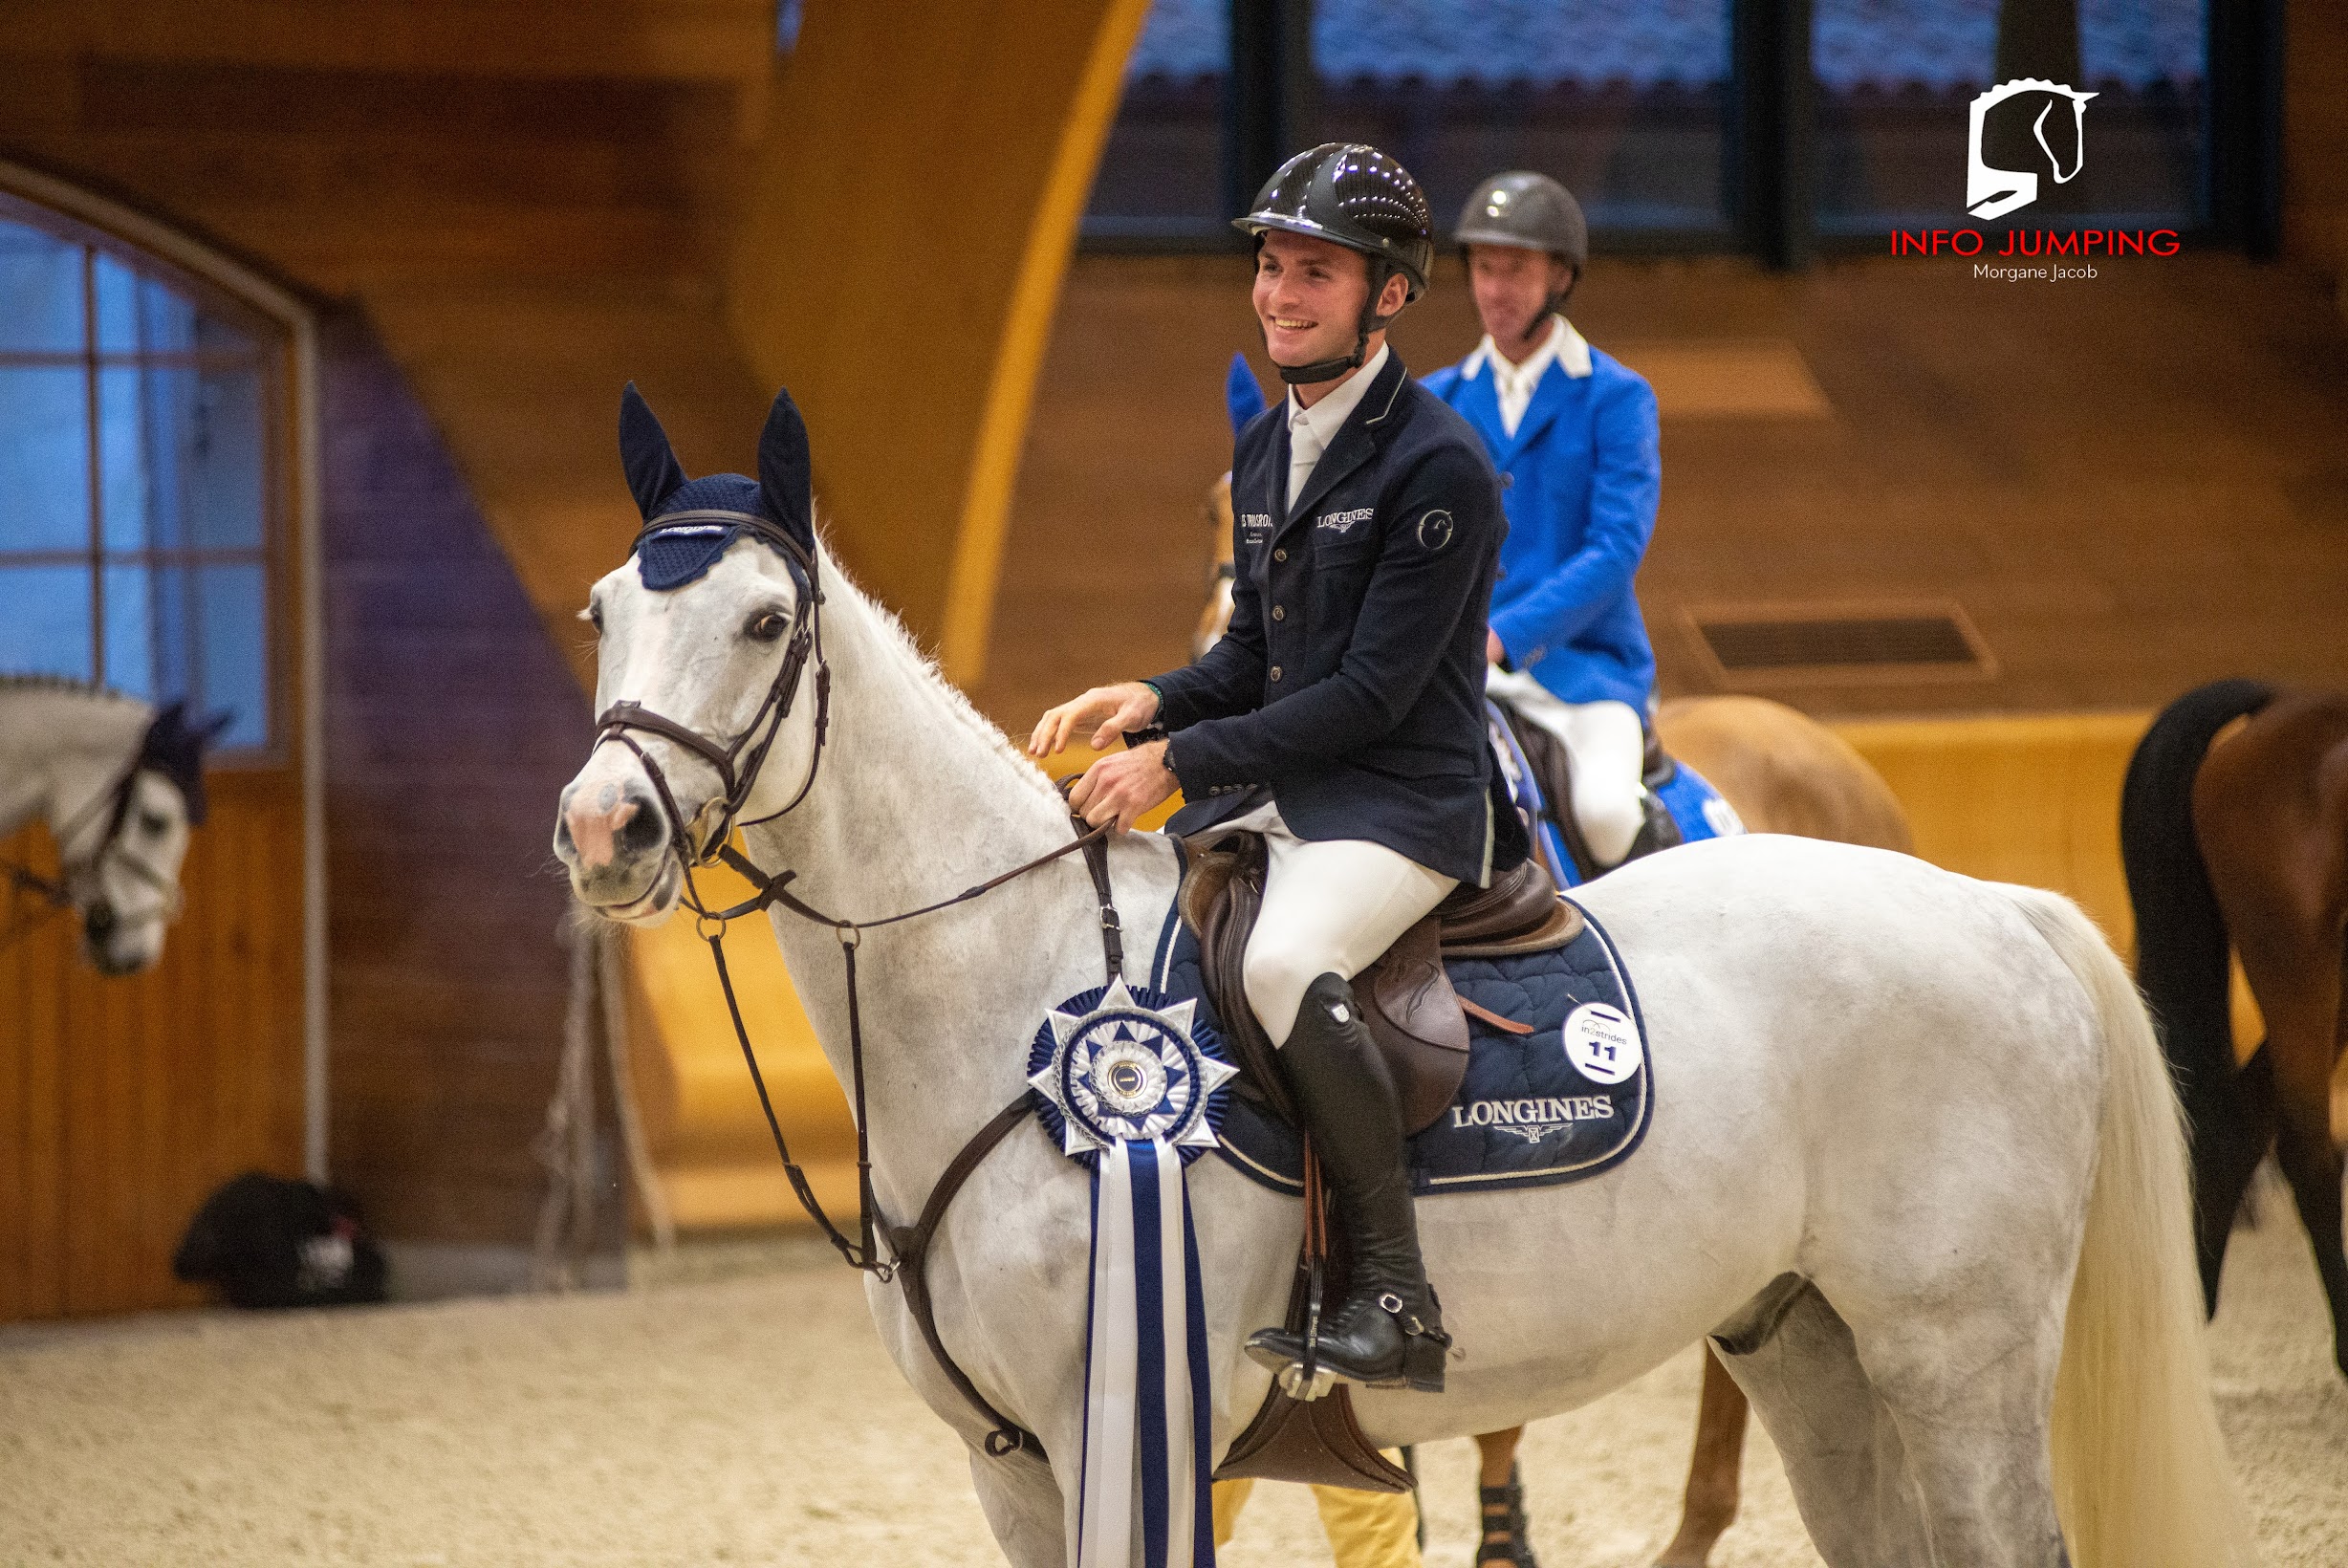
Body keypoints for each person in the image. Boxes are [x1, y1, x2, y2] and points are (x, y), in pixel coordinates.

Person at [1029, 142, 1505, 1394]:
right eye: (1271, 266)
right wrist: (1149, 697)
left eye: (1316, 274)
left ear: (1389, 295)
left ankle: (1396, 1295)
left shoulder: (1439, 467)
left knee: (1287, 960)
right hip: (1293, 795)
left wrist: (1173, 760)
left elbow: (1367, 698)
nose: (1281, 295)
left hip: (1403, 807)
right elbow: (1253, 653)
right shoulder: (1264, 453)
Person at [1424, 171, 1664, 873]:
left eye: (1517, 270)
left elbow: (1615, 550)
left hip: (1581, 673)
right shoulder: (1434, 402)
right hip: (1456, 673)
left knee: (1606, 810)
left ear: (1560, 275)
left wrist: (1504, 636)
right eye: (1484, 268)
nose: (1496, 289)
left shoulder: (1616, 398)